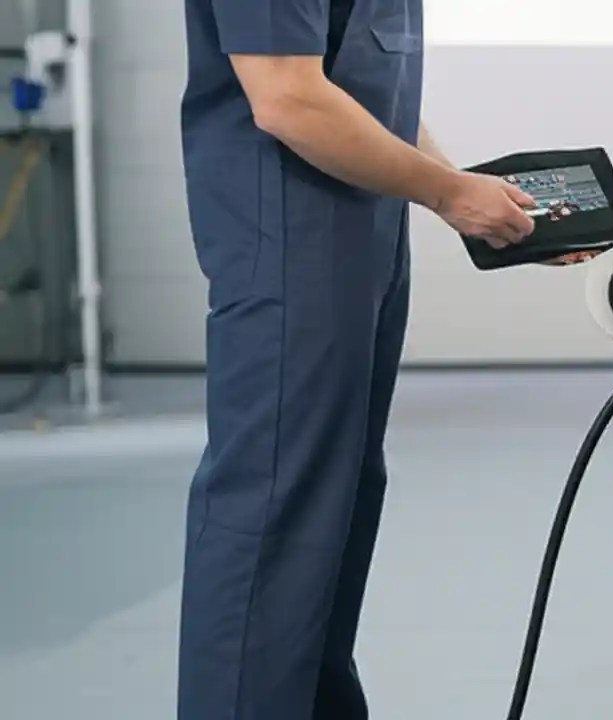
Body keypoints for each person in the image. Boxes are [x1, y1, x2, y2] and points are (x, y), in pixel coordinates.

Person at [177, 1, 535, 717]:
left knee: (333, 509)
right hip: (288, 248)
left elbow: (376, 95)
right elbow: (285, 98)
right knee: (276, 511)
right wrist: (449, 193)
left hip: (361, 242)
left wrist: (470, 194)